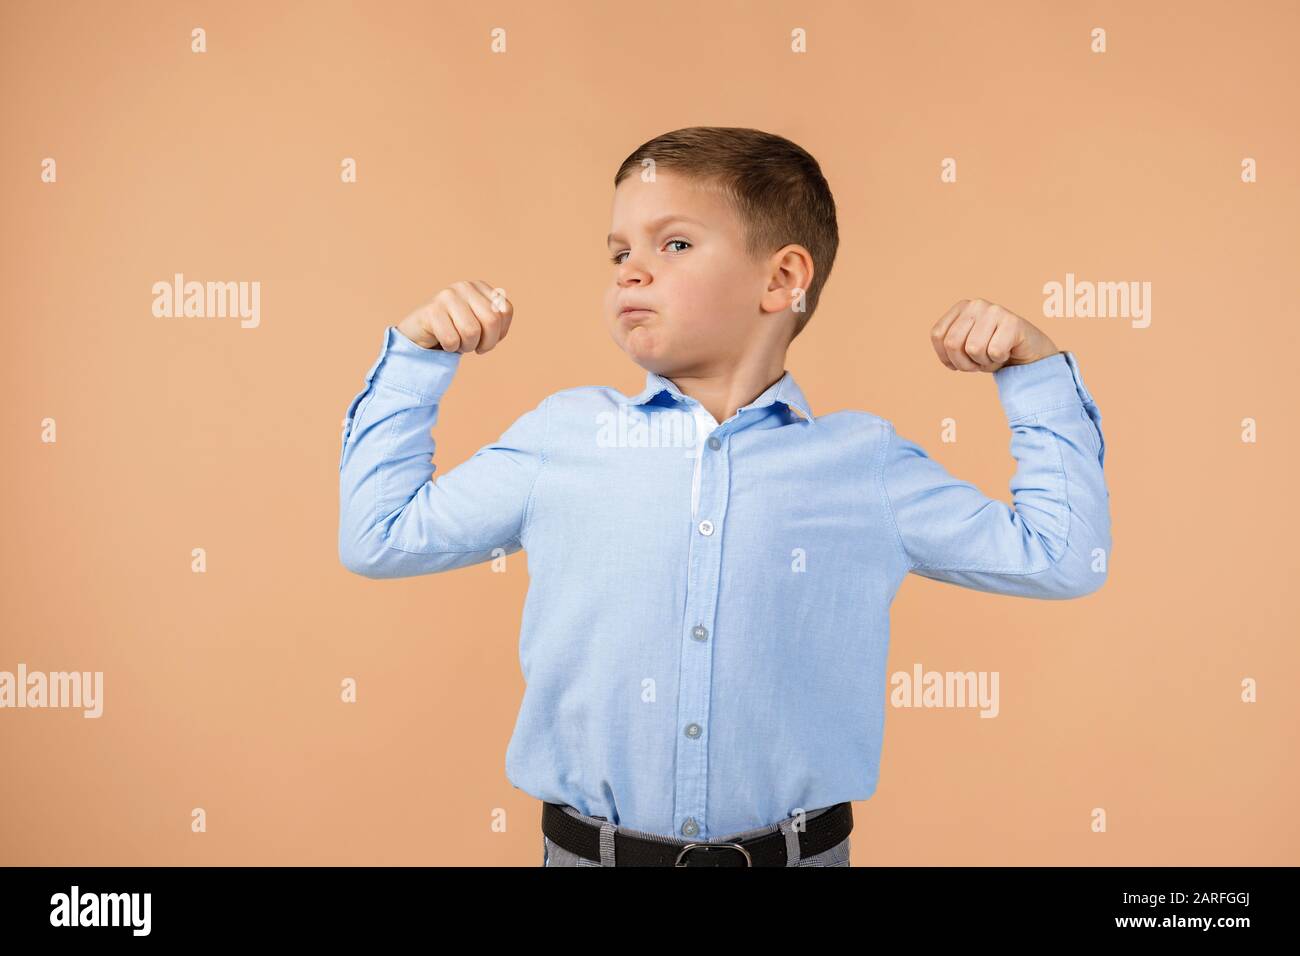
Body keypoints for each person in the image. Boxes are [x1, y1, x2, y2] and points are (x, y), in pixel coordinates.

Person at [337, 126, 1111, 867]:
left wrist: (1033, 374)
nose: (630, 271)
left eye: (673, 244)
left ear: (781, 279)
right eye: (619, 251)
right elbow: (379, 537)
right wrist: (416, 361)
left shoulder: (863, 463)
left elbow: (1062, 557)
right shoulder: (560, 438)